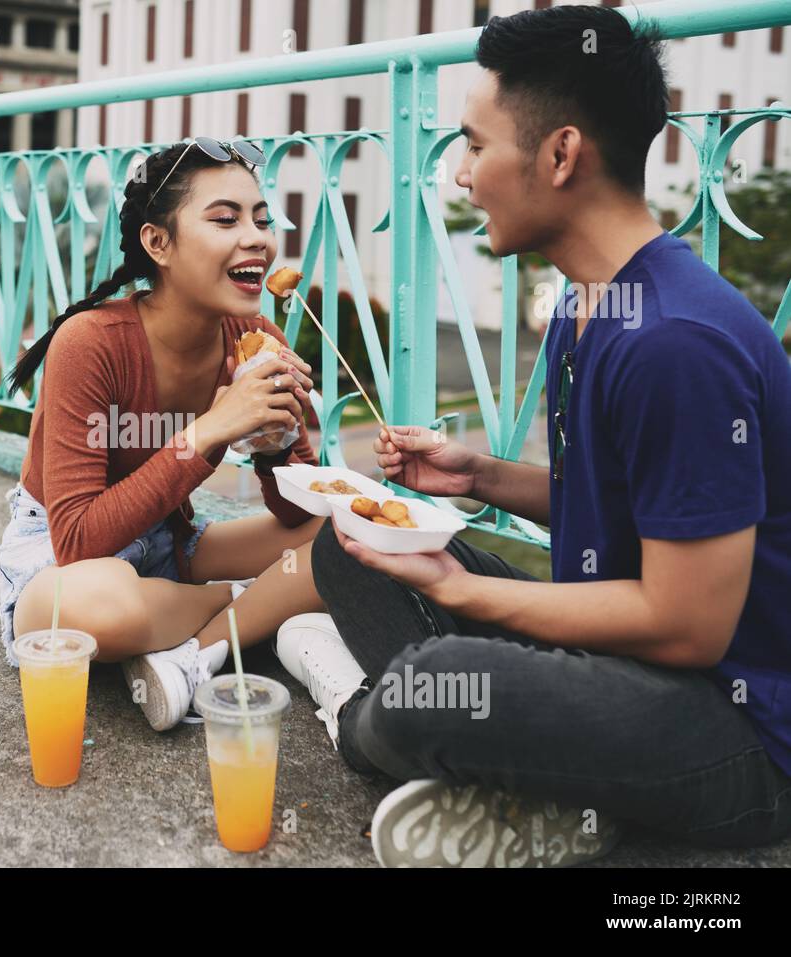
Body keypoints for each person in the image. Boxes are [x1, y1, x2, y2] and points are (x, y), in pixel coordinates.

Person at [274, 5, 791, 867]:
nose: (462, 177)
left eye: (476, 145)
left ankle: (359, 717)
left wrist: (465, 593)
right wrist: (479, 476)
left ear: (560, 154)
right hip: (611, 659)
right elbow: (630, 513)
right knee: (345, 551)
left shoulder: (675, 343)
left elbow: (687, 622)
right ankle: (525, 776)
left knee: (423, 693)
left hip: (735, 729)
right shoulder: (588, 300)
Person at [0, 138, 332, 732]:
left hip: (168, 542)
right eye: (225, 219)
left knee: (343, 537)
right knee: (101, 606)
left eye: (261, 219)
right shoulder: (90, 342)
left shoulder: (254, 338)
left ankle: (194, 650)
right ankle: (254, 606)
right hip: (64, 555)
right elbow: (77, 539)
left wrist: (278, 445)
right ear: (158, 242)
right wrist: (211, 431)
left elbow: (294, 512)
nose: (257, 237)